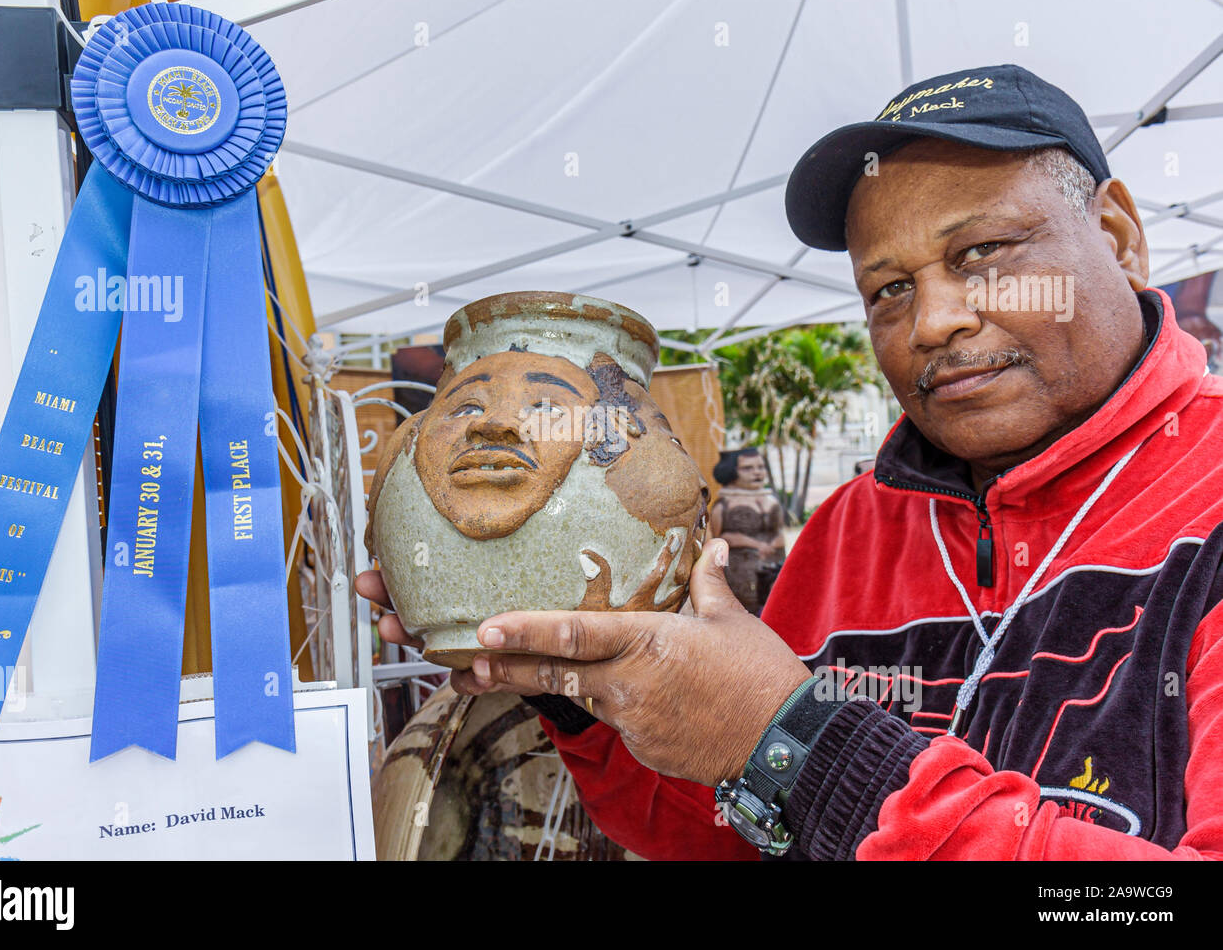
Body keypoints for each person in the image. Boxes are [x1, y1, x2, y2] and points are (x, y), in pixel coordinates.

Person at [356, 64, 1223, 860]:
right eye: (889, 289)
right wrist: (569, 676)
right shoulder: (852, 529)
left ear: (1115, 235)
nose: (932, 322)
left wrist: (799, 745)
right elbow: (726, 834)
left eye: (983, 254)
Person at [709, 449, 785, 614]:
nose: (756, 472)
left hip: (773, 572)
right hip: (740, 577)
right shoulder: (724, 505)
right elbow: (718, 539)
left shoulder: (771, 501)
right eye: (748, 468)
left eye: (760, 467)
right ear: (731, 472)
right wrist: (755, 544)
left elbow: (779, 531)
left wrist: (773, 545)